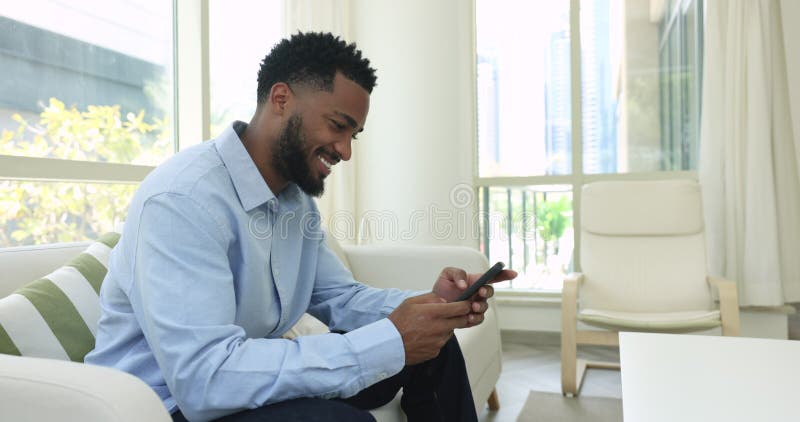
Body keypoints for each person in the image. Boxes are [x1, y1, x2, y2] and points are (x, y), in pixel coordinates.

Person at [85, 32, 516, 422]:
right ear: (281, 99)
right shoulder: (183, 201)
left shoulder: (295, 201)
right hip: (168, 405)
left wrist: (430, 306)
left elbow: (337, 295)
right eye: (338, 126)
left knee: (433, 349)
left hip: (238, 378)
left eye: (354, 135)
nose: (346, 151)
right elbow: (205, 380)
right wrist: (387, 341)